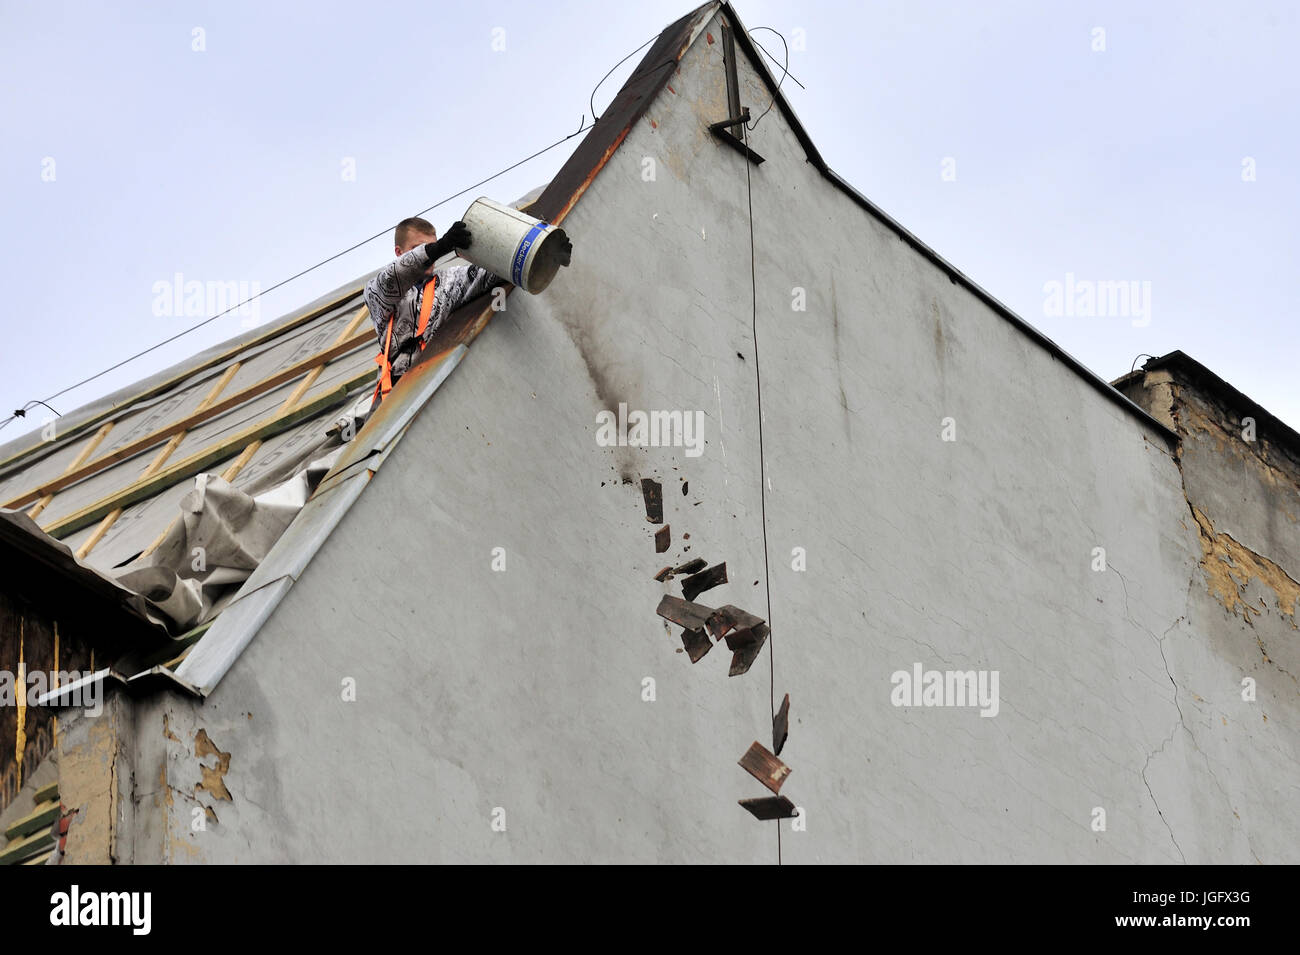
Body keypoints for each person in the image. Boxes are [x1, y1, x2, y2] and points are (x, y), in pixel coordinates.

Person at [363, 216, 498, 405]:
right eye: (417, 248)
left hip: (437, 381)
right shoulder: (378, 291)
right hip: (392, 396)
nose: (432, 256)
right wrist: (440, 247)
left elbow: (489, 274)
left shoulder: (450, 281)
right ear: (398, 252)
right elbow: (391, 278)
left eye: (432, 246)